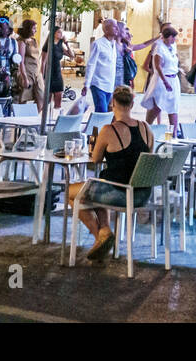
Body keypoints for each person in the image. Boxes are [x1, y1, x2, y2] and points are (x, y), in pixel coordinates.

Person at [68, 85, 154, 262]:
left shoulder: (109, 130)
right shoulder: (146, 128)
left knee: (70, 192)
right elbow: (148, 159)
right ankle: (105, 229)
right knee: (98, 184)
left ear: (112, 103)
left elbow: (96, 159)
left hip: (120, 193)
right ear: (132, 104)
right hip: (143, 193)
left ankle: (100, 234)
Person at [141, 25, 181, 132]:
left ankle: (174, 133)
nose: (174, 39)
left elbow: (175, 60)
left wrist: (178, 69)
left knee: (174, 106)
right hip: (162, 79)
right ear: (167, 37)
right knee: (157, 106)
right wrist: (165, 81)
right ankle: (147, 128)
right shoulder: (159, 47)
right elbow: (157, 66)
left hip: (174, 79)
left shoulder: (173, 46)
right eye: (173, 37)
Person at [82, 18, 120, 114]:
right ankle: (95, 129)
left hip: (109, 85)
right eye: (114, 26)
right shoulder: (98, 44)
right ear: (106, 29)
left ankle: (97, 129)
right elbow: (91, 64)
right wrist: (86, 84)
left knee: (105, 113)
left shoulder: (114, 44)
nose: (117, 28)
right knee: (101, 112)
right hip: (98, 84)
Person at [17, 19, 44, 109]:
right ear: (28, 29)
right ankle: (21, 119)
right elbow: (21, 60)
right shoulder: (22, 41)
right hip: (27, 72)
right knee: (24, 98)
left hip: (36, 72)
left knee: (41, 98)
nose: (35, 30)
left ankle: (33, 117)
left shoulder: (34, 40)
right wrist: (24, 77)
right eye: (33, 28)